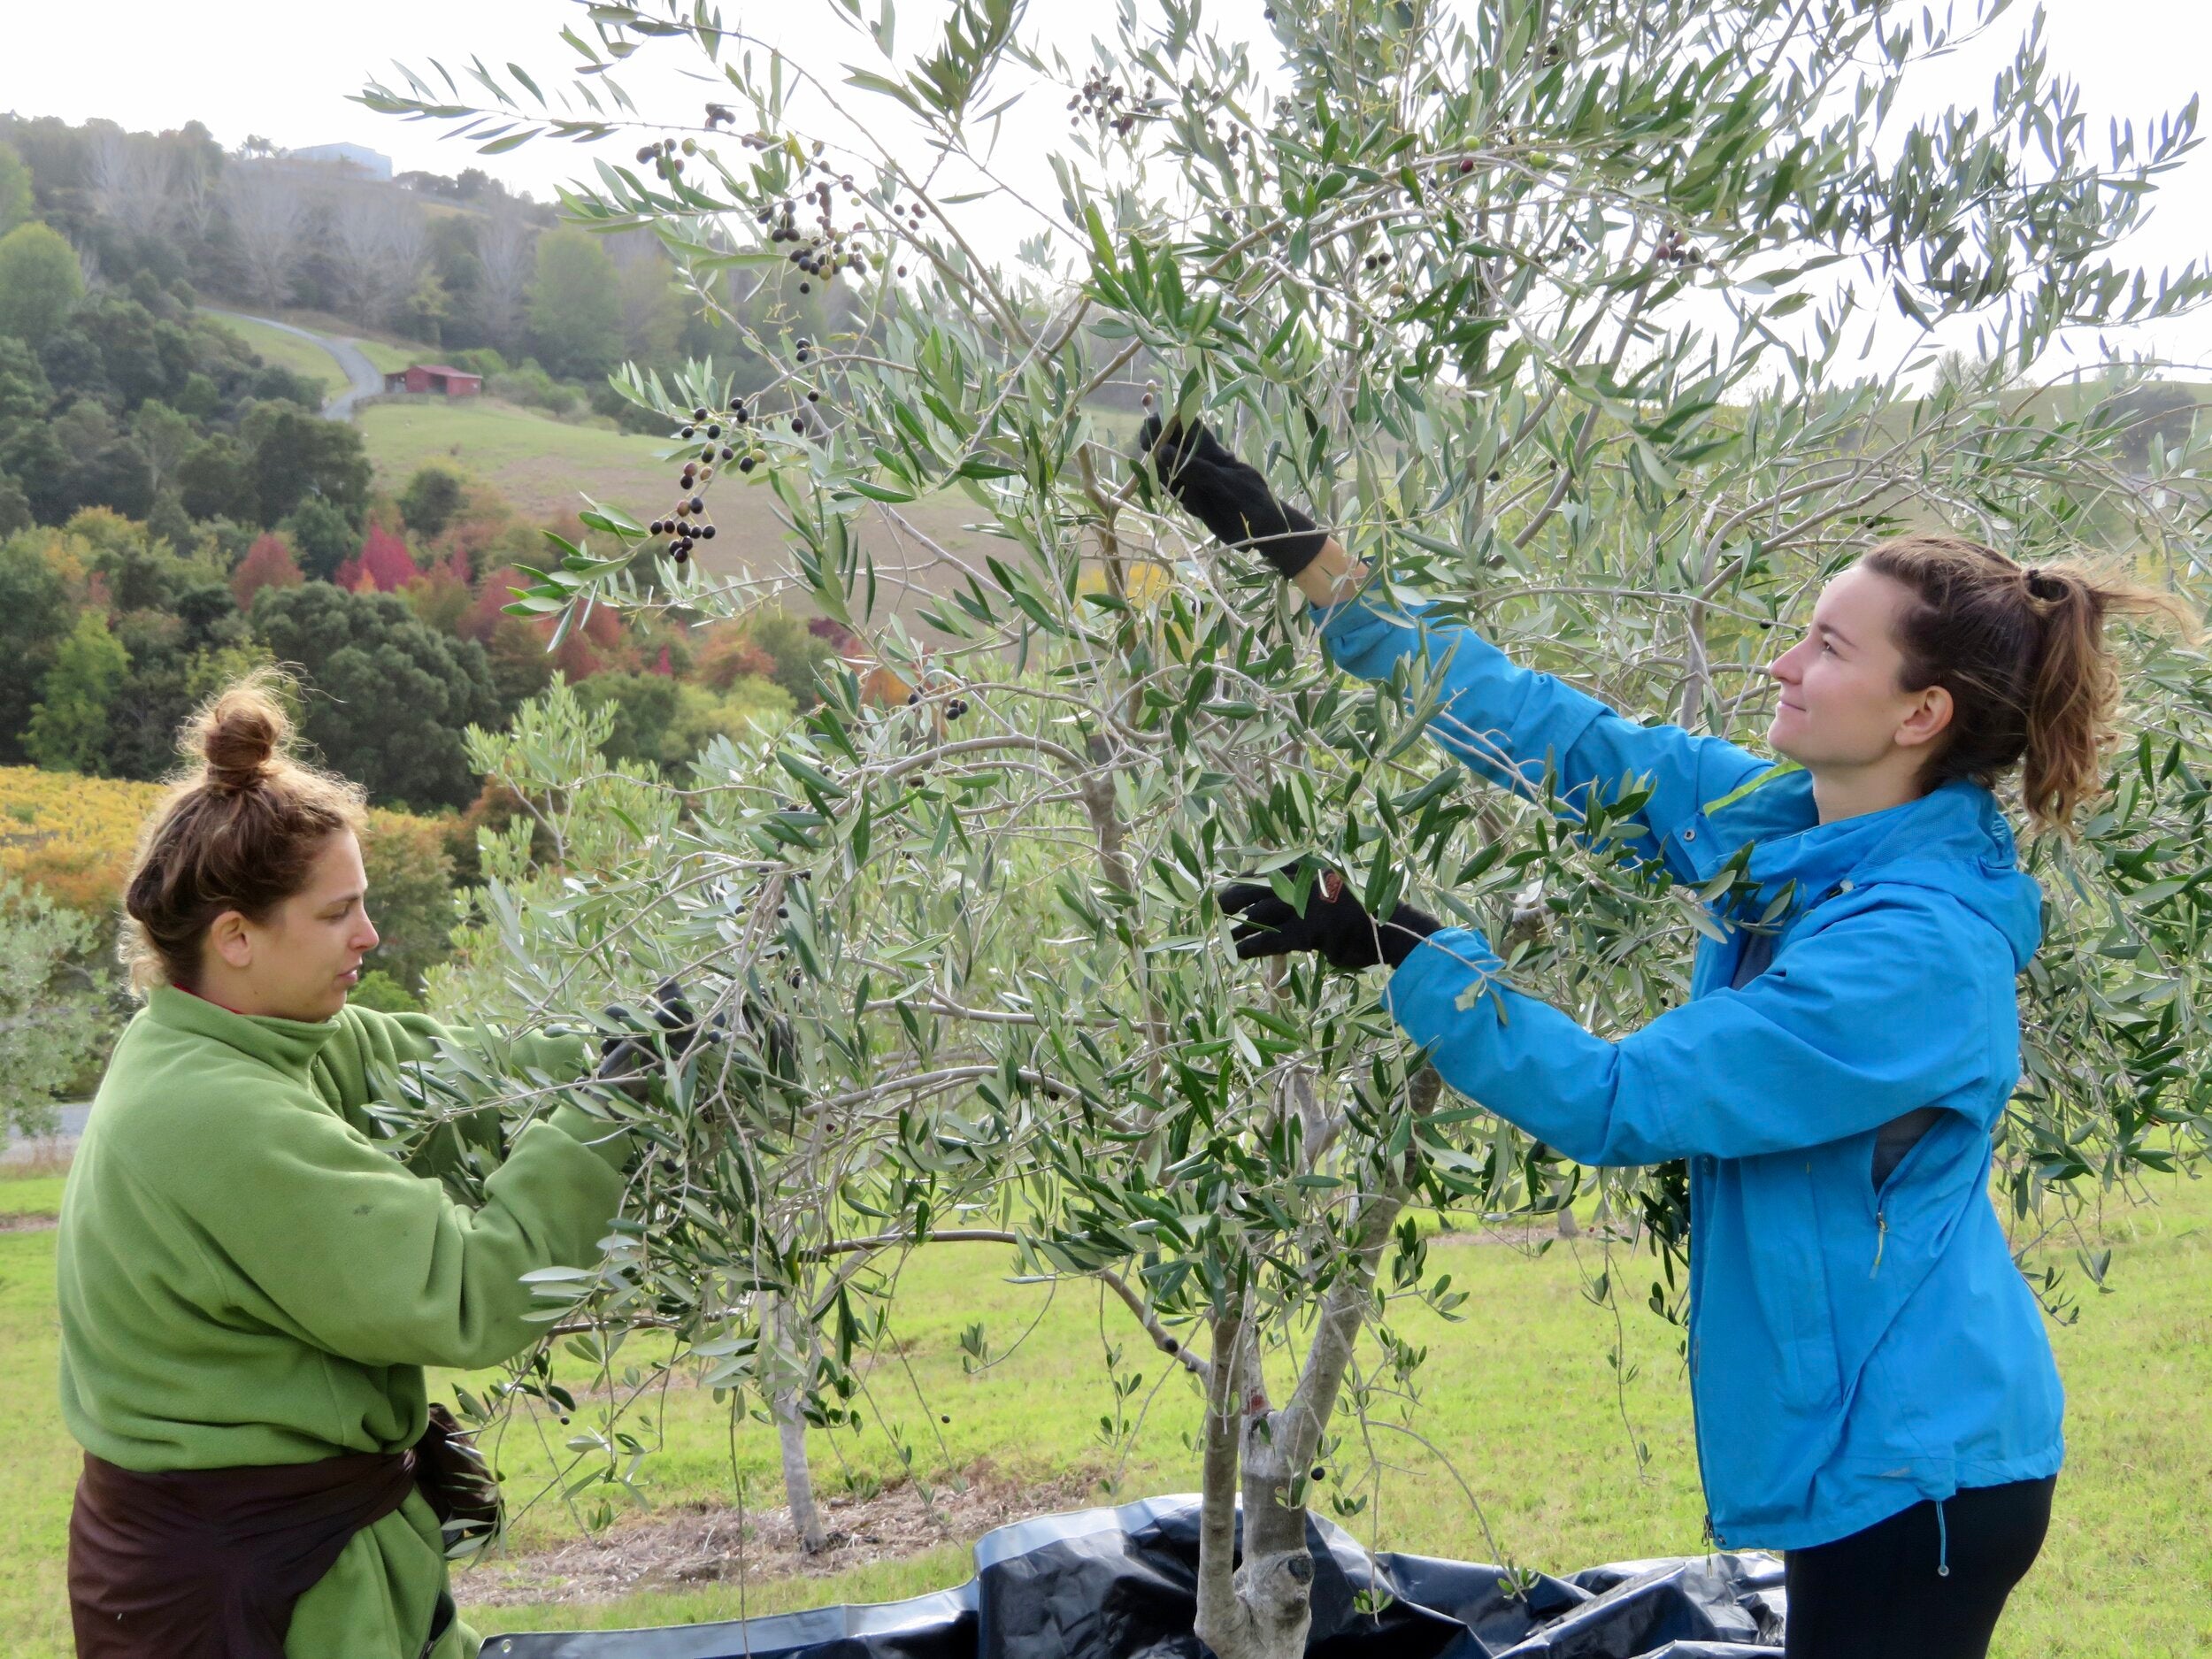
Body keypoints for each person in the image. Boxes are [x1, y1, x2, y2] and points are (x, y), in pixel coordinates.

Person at [1139, 416, 2196, 1659]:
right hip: (1877, 1443)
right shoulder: (1803, 824)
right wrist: (1319, 567)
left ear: (1921, 712)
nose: (1782, 664)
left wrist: (1419, 955)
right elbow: (1572, 744)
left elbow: (1617, 1097)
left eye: (1826, 646)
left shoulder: (1914, 954)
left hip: (1923, 1475)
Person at [56, 675, 651, 1659]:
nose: (369, 938)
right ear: (236, 937)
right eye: (339, 915)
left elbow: (467, 1085)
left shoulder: (268, 1037)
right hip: (247, 1598)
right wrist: (619, 1107)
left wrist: (642, 1049)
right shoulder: (213, 1112)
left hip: (301, 1554)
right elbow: (473, 1291)